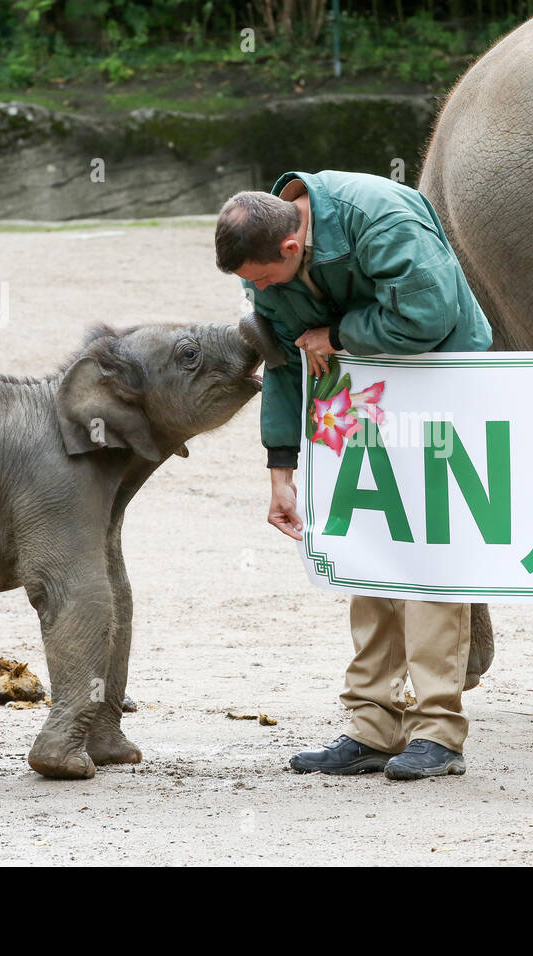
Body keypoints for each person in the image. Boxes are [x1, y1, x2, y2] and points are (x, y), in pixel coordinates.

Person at [215, 170, 492, 779]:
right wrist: (279, 468)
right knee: (370, 547)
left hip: (439, 385)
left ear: (290, 248)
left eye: (261, 279)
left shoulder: (383, 217)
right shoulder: (272, 263)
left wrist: (337, 334)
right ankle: (374, 726)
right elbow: (286, 363)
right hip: (359, 398)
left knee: (427, 553)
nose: (257, 290)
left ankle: (437, 732)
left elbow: (430, 316)